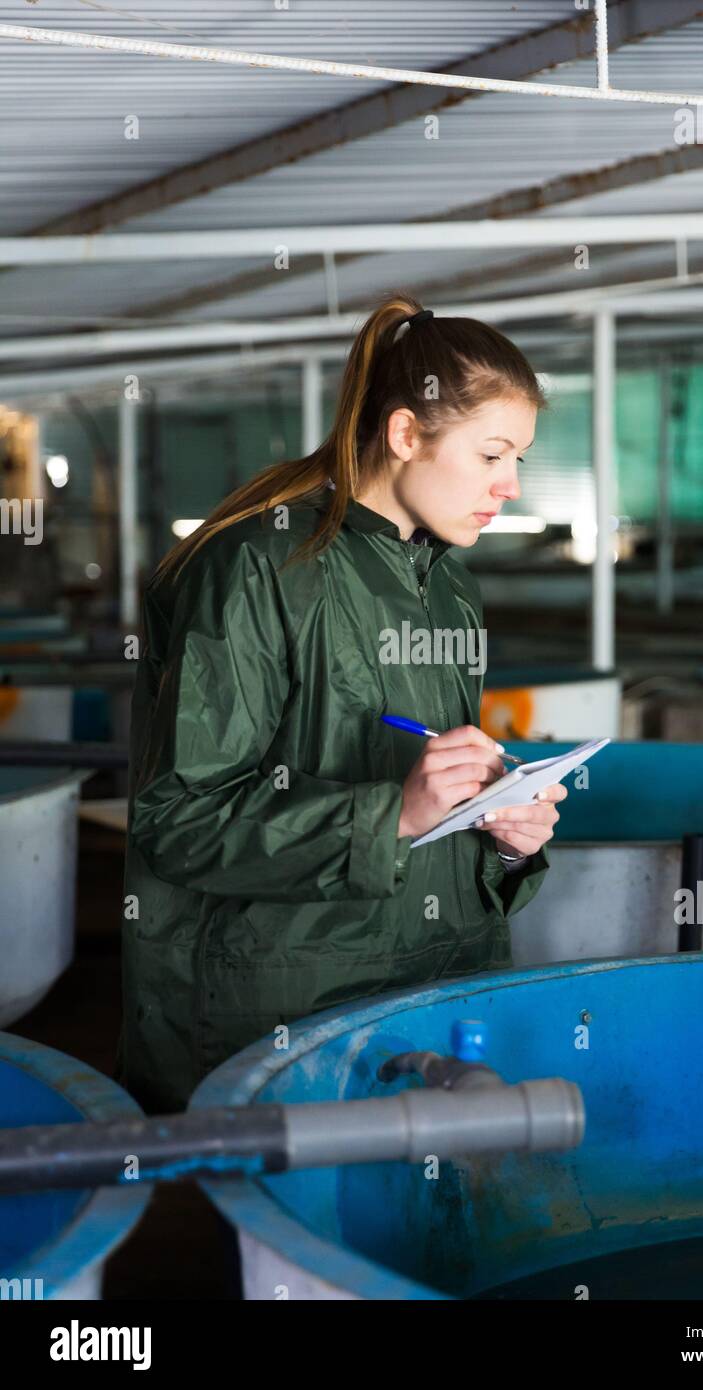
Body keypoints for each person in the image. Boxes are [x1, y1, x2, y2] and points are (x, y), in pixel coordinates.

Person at [118, 293, 566, 1114]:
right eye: (492, 455)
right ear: (404, 435)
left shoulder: (448, 587)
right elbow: (177, 819)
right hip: (295, 1010)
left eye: (519, 462)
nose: (508, 487)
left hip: (444, 986)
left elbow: (432, 794)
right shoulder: (256, 567)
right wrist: (391, 814)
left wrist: (507, 835)